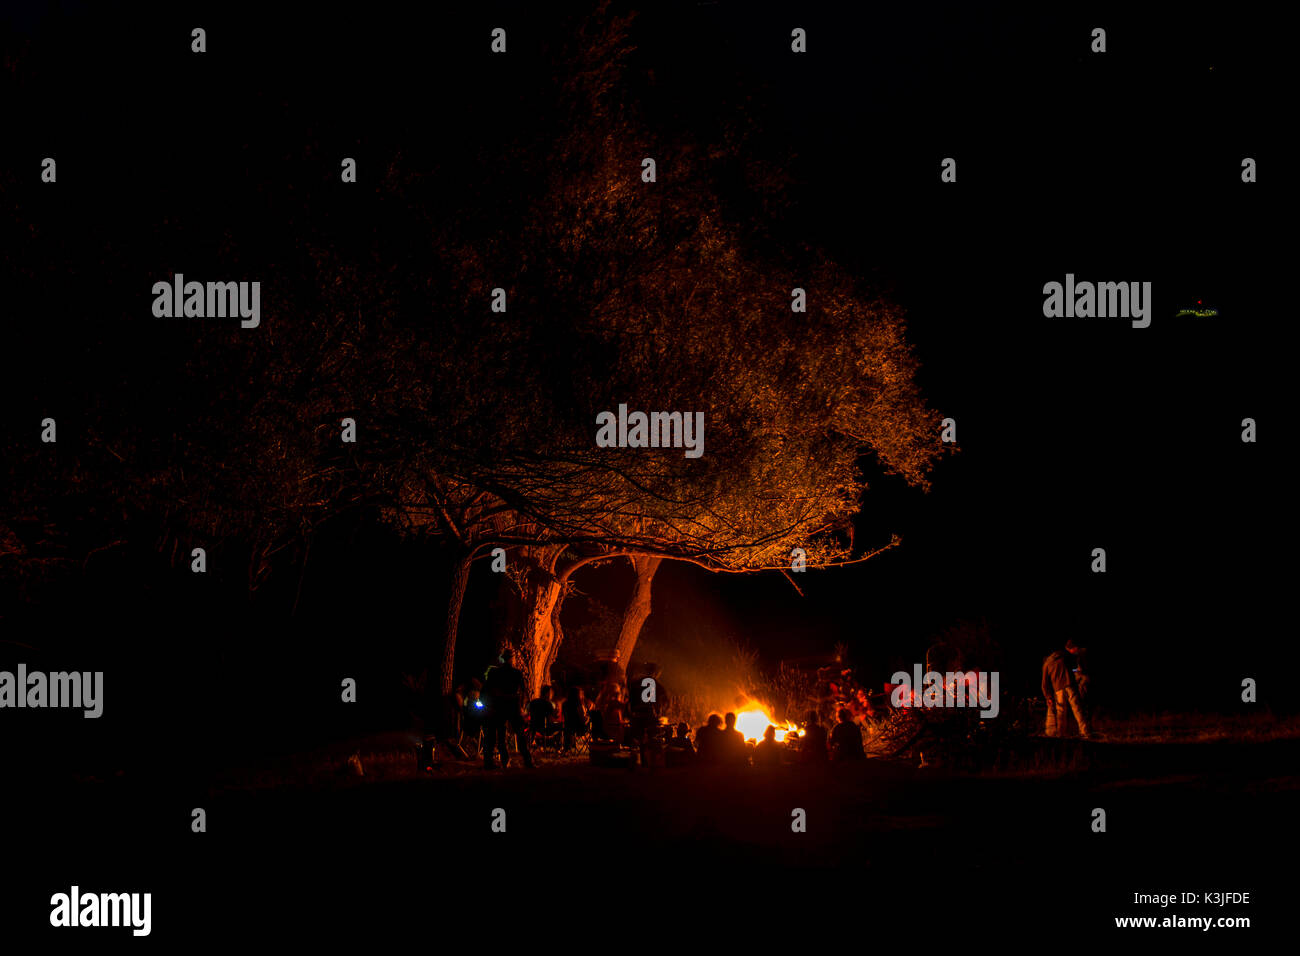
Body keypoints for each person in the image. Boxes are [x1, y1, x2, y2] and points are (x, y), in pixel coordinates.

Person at [482, 648, 533, 769]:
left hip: (499, 705)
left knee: (500, 734)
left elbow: (488, 689)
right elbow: (523, 690)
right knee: (519, 733)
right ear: (511, 659)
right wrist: (522, 705)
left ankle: (502, 760)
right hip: (512, 705)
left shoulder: (495, 673)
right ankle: (527, 760)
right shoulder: (516, 673)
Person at [1042, 640, 1090, 739]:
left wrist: (1048, 697)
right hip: (1070, 685)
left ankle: (1061, 735)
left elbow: (1044, 683)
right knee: (1077, 709)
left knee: (1061, 712)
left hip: (1058, 689)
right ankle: (1085, 732)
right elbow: (1075, 669)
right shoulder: (1065, 656)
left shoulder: (1047, 663)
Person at [561, 686, 590, 751]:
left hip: (568, 728)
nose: (582, 696)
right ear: (578, 695)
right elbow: (583, 720)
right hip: (579, 729)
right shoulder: (579, 704)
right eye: (581, 694)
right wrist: (589, 718)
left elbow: (564, 716)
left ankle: (569, 745)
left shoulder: (564, 704)